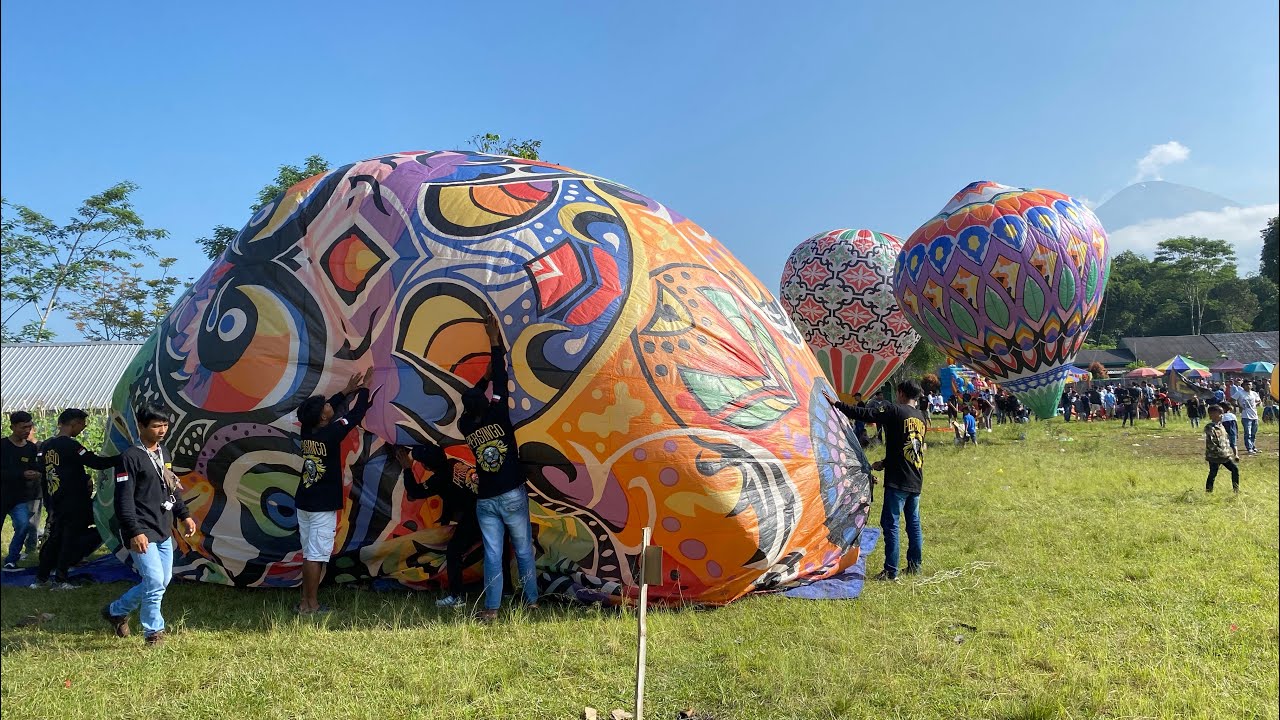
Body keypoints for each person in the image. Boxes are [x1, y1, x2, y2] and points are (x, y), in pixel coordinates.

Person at [462, 316, 540, 621]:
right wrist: (494, 341)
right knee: (523, 550)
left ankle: (492, 610)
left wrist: (481, 383)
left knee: (493, 555)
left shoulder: (466, 425)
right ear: (487, 401)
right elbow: (501, 374)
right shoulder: (498, 414)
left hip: (486, 499)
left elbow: (474, 400)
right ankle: (531, 602)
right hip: (511, 494)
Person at [102, 404, 197, 645]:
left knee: (160, 582)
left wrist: (184, 515)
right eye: (156, 426)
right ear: (141, 427)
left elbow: (170, 486)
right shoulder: (129, 458)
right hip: (141, 531)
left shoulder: (163, 453)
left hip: (163, 529)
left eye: (165, 425)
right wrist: (135, 531)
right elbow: (123, 499)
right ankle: (153, 632)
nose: (162, 430)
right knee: (154, 582)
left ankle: (115, 611)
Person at [294, 369, 372, 614]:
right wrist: (365, 389)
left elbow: (328, 411)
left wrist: (345, 392)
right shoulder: (331, 434)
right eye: (326, 407)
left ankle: (305, 603)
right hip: (321, 505)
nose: (330, 406)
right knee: (316, 556)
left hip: (305, 501)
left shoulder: (307, 431)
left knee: (309, 554)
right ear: (323, 418)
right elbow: (357, 413)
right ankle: (312, 605)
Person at [834, 380, 927, 581]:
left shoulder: (895, 410)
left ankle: (891, 571)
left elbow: (866, 414)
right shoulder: (921, 418)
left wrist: (838, 404)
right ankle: (914, 566)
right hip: (916, 478)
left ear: (900, 393)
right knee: (914, 524)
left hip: (898, 481)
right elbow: (909, 447)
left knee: (891, 524)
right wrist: (884, 463)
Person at [32, 409, 118, 589]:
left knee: (55, 538)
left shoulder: (47, 446)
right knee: (69, 538)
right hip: (74, 501)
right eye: (82, 425)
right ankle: (61, 579)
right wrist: (124, 458)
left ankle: (41, 578)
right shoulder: (71, 446)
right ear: (74, 423)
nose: (84, 428)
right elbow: (95, 462)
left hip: (56, 500)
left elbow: (44, 472)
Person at [395, 442, 479, 608]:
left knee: (454, 552)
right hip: (492, 506)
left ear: (426, 466)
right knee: (497, 548)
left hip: (477, 515)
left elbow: (415, 491)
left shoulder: (440, 479)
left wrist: (407, 468)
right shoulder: (454, 462)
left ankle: (457, 596)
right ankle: (506, 592)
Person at [2, 412, 43, 570]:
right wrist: (21, 474)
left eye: (29, 427)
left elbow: (34, 466)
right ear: (12, 427)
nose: (27, 430)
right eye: (23, 427)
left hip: (19, 497)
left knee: (23, 525)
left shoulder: (31, 448)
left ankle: (12, 559)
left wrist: (37, 472)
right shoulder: (3, 445)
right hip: (2, 495)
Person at [1203, 405, 1239, 494]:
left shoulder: (1221, 426)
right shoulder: (1210, 427)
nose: (1222, 415)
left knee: (1235, 469)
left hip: (1225, 455)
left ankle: (1236, 490)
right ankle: (1208, 492)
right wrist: (1220, 452)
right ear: (1213, 414)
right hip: (1214, 456)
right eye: (1220, 413)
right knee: (1213, 474)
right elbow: (1211, 443)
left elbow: (1225, 441)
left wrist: (1229, 452)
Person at [1231, 380, 1261, 455]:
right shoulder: (1240, 393)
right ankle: (1249, 448)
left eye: (1250, 384)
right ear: (1243, 385)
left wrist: (1255, 404)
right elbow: (1231, 400)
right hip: (1245, 416)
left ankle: (1253, 446)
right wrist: (1238, 406)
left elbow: (1259, 401)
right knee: (1248, 433)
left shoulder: (1254, 393)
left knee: (1254, 433)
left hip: (1254, 415)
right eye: (1246, 384)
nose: (1248, 386)